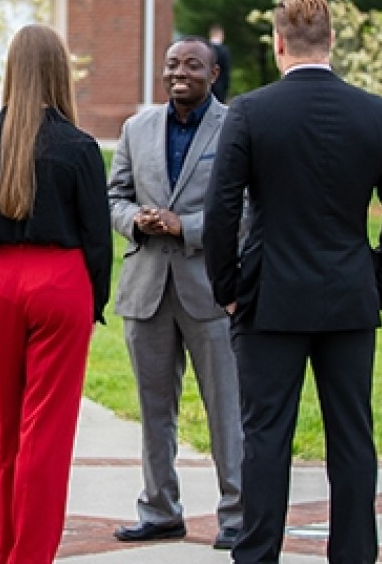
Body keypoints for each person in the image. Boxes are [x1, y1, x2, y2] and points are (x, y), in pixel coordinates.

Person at [203, 0, 382, 564]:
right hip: (348, 297)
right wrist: (376, 278)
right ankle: (353, 556)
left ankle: (256, 556)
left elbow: (222, 209)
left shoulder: (251, 110)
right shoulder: (376, 114)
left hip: (269, 298)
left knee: (267, 438)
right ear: (331, 42)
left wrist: (227, 288)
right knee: (352, 437)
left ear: (278, 44)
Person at [0, 24, 112, 564]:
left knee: (5, 424)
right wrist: (93, 301)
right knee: (45, 431)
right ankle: (31, 557)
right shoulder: (79, 147)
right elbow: (98, 237)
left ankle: (4, 553)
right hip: (59, 280)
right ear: (59, 71)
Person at [106, 35, 244, 550]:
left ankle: (237, 515)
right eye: (171, 64)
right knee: (153, 406)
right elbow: (114, 195)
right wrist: (137, 223)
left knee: (225, 407)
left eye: (191, 64)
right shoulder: (136, 128)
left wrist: (183, 226)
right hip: (146, 290)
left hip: (209, 290)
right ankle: (160, 508)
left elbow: (249, 208)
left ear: (213, 73)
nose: (177, 72)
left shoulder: (235, 127)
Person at [209, 24, 231, 102]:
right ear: (221, 35)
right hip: (220, 87)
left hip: (207, 86)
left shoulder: (206, 49)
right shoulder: (224, 51)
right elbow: (226, 72)